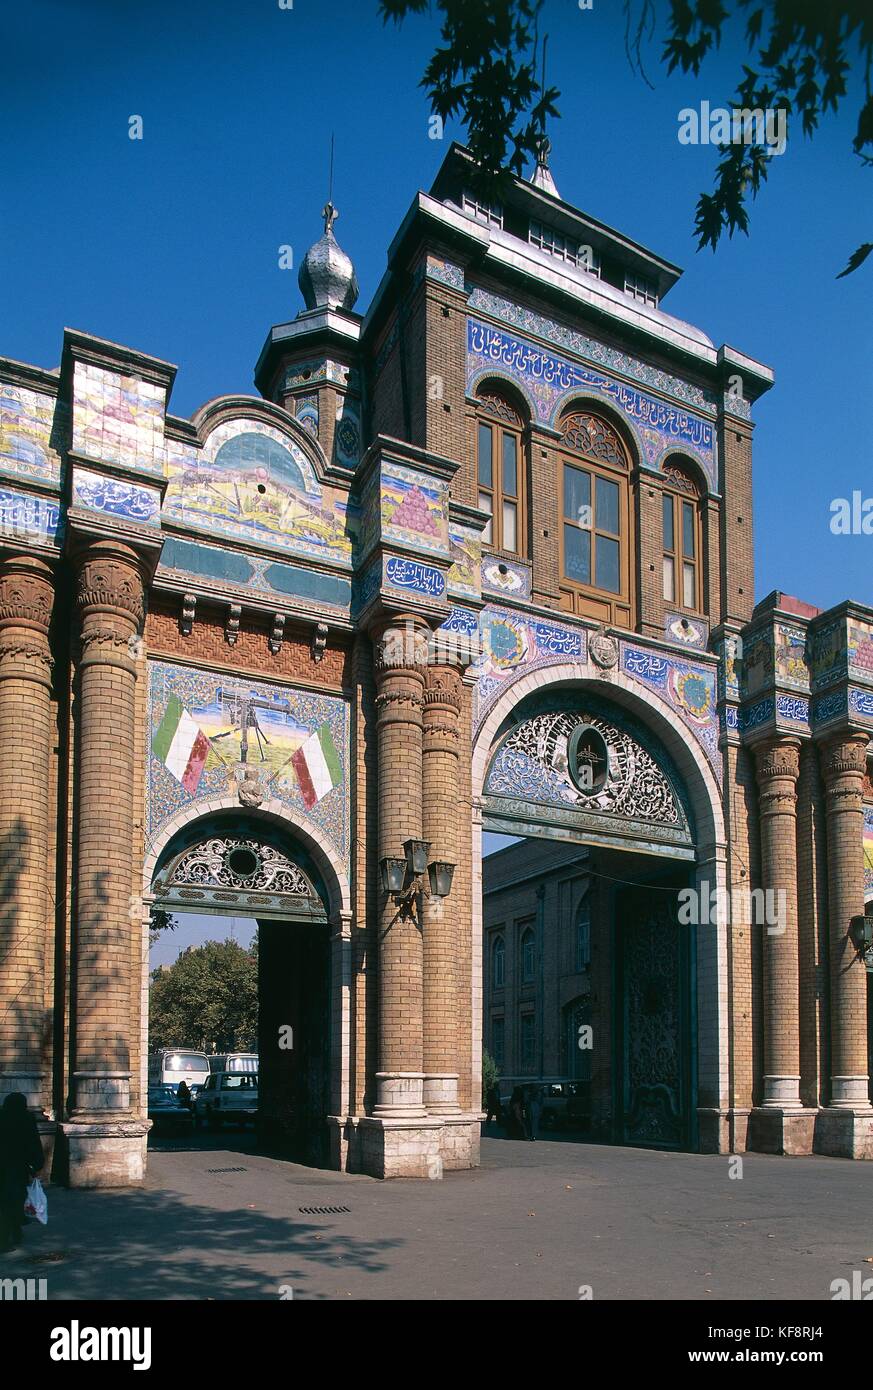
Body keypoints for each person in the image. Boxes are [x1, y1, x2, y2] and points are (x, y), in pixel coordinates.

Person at [0, 1092, 44, 1253]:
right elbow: (33, 1142)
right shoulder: (26, 1118)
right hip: (18, 1168)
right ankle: (8, 1236)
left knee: (4, 1203)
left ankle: (12, 1233)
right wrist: (37, 1164)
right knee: (15, 1200)